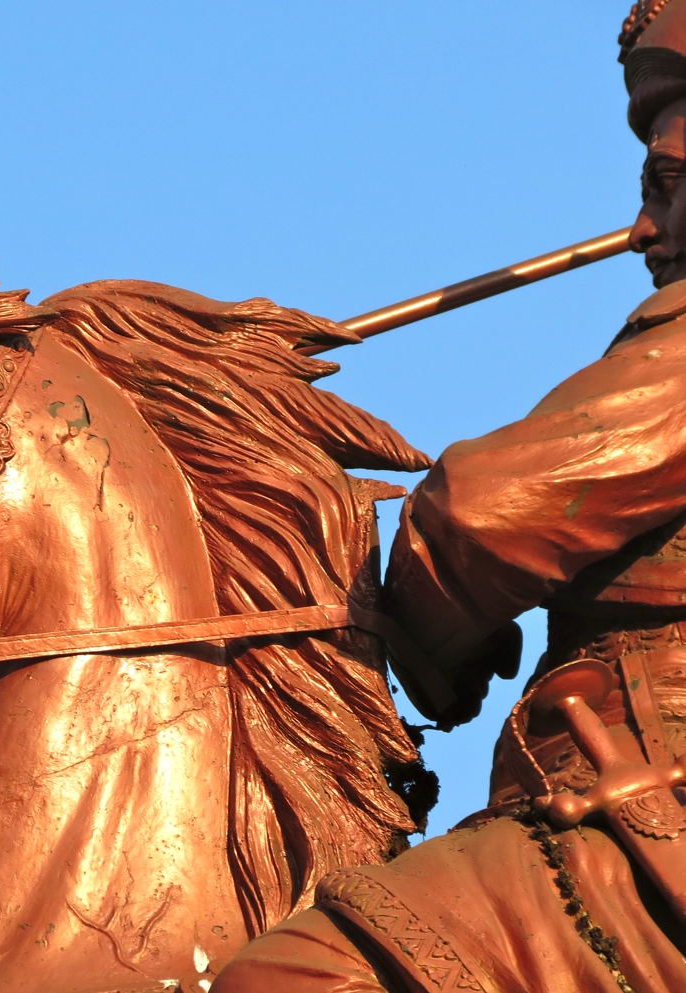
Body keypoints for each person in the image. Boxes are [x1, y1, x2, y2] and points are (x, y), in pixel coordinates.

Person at [212, 4, 686, 991]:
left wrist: (406, 639)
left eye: (672, 185)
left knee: (296, 979)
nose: (644, 227)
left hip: (650, 798)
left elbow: (479, 512)